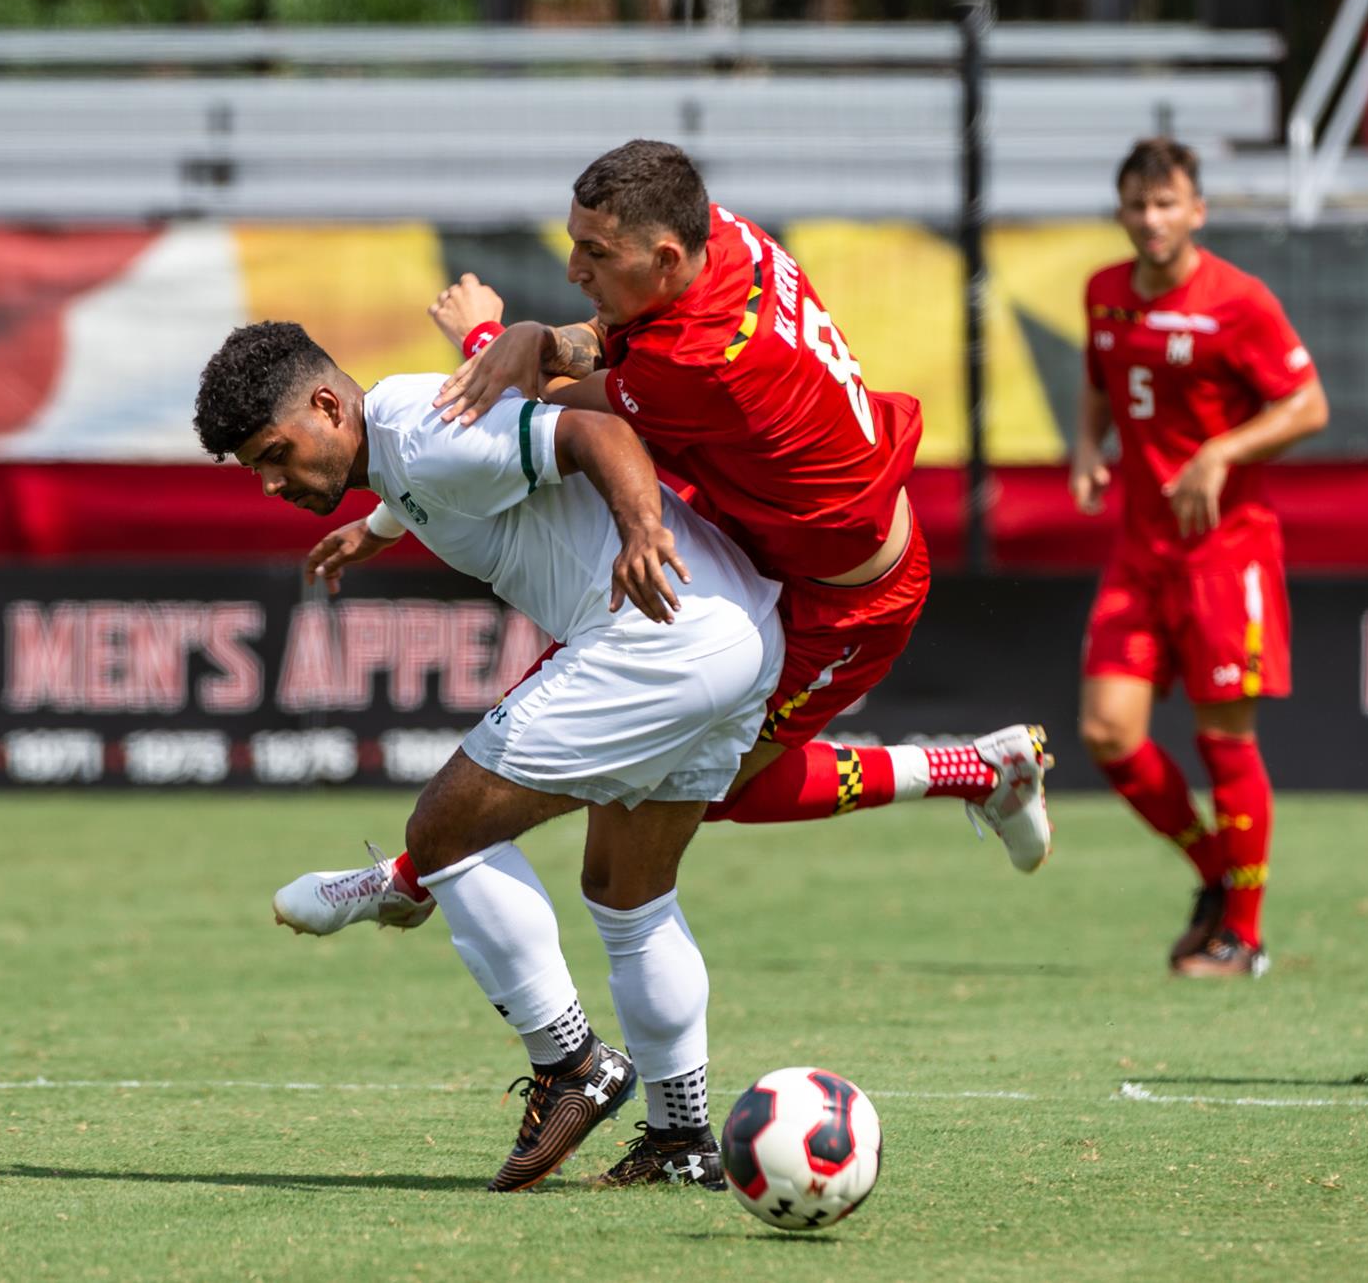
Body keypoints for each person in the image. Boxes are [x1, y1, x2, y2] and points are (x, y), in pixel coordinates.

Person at [272, 139, 1052, 936]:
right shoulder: (729, 238)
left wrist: (487, 339)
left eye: (595, 253)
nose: (575, 268)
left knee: (699, 783)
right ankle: (415, 872)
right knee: (611, 659)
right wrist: (397, 502)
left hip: (845, 602)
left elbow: (558, 412)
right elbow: (599, 343)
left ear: (667, 255)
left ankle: (976, 770)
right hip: (757, 529)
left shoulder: (707, 365)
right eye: (574, 242)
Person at [197, 320, 786, 1191]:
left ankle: (572, 1063)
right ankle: (683, 1136)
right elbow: (450, 478)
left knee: (443, 835)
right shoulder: (405, 447)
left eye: (274, 452)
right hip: (739, 639)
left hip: (654, 636)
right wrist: (382, 528)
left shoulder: (420, 433)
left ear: (328, 405)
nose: (272, 480)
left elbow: (595, 431)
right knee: (630, 898)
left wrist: (640, 528)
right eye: (255, 468)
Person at [1072, 138, 1327, 979]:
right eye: (1138, 205)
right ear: (1122, 212)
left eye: (1167, 204)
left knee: (1224, 740)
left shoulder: (1238, 302)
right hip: (1140, 551)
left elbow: (1307, 403)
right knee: (1109, 731)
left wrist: (1221, 453)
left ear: (1197, 211)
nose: (1152, 220)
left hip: (1228, 555)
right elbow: (1102, 379)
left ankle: (1241, 936)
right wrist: (1086, 445)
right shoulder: (1104, 294)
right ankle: (1220, 874)